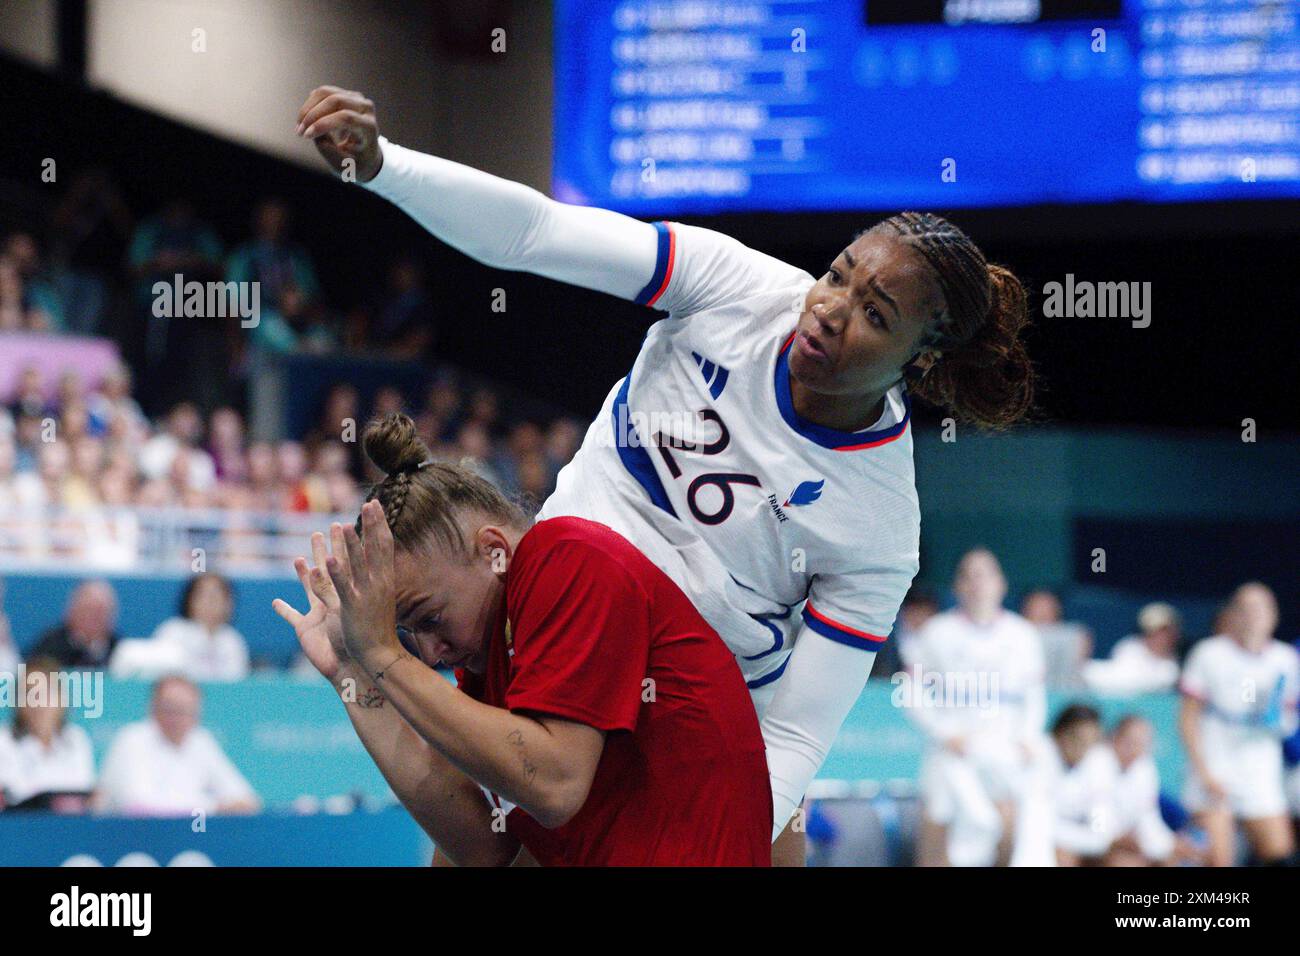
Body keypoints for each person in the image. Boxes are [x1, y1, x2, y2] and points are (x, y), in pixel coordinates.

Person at [296, 87, 1037, 862]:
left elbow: (793, 731)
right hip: (558, 643)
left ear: (919, 360)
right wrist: (384, 167)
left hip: (690, 731)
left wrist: (730, 834)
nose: (828, 310)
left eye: (876, 314)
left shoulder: (879, 525)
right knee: (477, 852)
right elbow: (538, 231)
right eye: (838, 275)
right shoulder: (737, 285)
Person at [273, 413, 772, 866]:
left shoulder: (569, 557)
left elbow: (555, 783)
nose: (431, 652)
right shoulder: (492, 660)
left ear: (494, 551)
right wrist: (353, 676)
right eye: (411, 632)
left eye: (429, 618)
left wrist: (381, 652)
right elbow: (486, 849)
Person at [908, 549, 1051, 867]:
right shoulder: (936, 632)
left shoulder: (1023, 635)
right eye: (968, 575)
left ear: (1001, 584)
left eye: (984, 574)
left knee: (1009, 829)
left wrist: (1027, 737)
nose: (977, 583)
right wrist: (944, 733)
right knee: (938, 830)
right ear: (957, 586)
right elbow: (911, 691)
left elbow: (1034, 695)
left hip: (1005, 751)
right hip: (951, 751)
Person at [1180, 582, 1298, 866]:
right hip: (1215, 769)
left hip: (1261, 773)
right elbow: (1187, 718)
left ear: (1275, 615)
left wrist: (1277, 720)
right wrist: (1204, 772)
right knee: (1219, 860)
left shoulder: (1286, 659)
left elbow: (1289, 719)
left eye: (1261, 608)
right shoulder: (1209, 654)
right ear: (1233, 614)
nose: (1254, 615)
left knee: (1280, 851)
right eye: (1246, 608)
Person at [94, 674, 260, 816]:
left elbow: (245, 800)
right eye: (169, 709)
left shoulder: (201, 740)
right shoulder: (131, 739)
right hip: (128, 840)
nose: (176, 718)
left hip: (188, 836)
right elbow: (139, 806)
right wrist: (213, 807)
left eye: (184, 710)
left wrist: (213, 807)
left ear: (197, 714)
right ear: (153, 708)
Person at [0, 657, 95, 812]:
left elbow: (82, 794)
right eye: (30, 694)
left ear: (62, 699)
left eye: (45, 693)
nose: (38, 703)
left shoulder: (77, 739)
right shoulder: (3, 741)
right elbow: (13, 797)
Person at [144, 573, 250, 682]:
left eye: (217, 596)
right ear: (190, 600)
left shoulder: (233, 640)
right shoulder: (172, 631)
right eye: (204, 595)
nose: (211, 602)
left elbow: (236, 680)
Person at [1048, 704, 1118, 866]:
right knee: (1063, 858)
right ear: (1059, 734)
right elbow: (1042, 825)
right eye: (1077, 739)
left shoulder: (1099, 760)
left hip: (1083, 842)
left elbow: (1101, 828)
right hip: (1048, 841)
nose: (1082, 748)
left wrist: (1098, 839)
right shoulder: (1040, 756)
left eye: (1090, 741)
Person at [1109, 714, 1181, 866]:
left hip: (1130, 842)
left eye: (1141, 744)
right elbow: (1098, 822)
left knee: (1168, 858)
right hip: (1098, 841)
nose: (1135, 749)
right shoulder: (1097, 763)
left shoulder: (1144, 768)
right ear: (1115, 738)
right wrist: (1118, 838)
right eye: (1130, 742)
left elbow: (1148, 816)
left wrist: (1169, 844)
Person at [1084, 601, 1182, 695]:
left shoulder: (1179, 657)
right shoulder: (1130, 648)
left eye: (1166, 632)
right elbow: (1121, 680)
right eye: (1154, 632)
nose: (1161, 638)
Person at [27, 580, 121, 669]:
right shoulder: (49, 647)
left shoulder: (120, 649)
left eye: (100, 612)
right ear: (71, 611)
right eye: (87, 610)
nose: (93, 618)